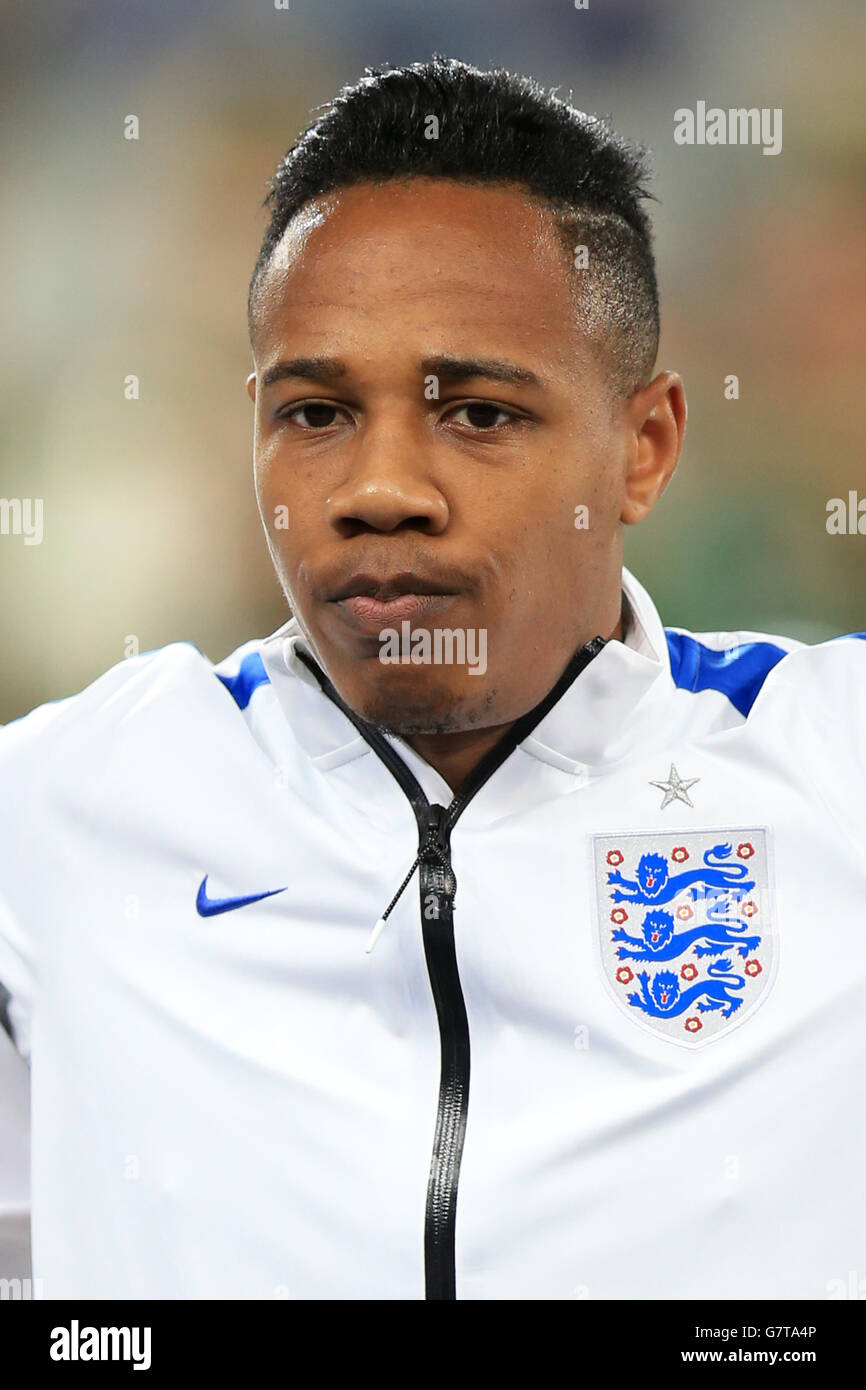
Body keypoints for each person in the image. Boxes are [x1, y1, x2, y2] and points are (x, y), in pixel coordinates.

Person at [1, 56, 863, 1301]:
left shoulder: (827, 771)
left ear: (644, 446)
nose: (378, 491)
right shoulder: (62, 811)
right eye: (314, 414)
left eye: (476, 413)